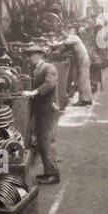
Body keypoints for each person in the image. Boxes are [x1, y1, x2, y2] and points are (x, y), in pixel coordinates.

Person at [20, 45, 61, 185]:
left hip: (48, 110)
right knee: (42, 143)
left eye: (31, 55)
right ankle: (47, 172)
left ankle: (54, 174)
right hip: (40, 111)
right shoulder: (36, 70)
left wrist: (33, 93)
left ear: (39, 55)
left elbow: (50, 84)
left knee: (47, 142)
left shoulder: (49, 68)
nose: (29, 58)